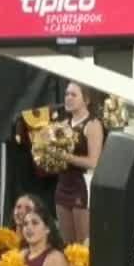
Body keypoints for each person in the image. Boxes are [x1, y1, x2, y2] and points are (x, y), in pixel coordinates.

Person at [55, 82, 103, 244]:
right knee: (68, 245)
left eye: (73, 95)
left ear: (86, 99)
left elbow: (94, 162)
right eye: (66, 94)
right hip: (63, 186)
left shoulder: (93, 124)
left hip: (81, 188)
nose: (68, 98)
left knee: (83, 245)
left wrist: (66, 157)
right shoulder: (63, 124)